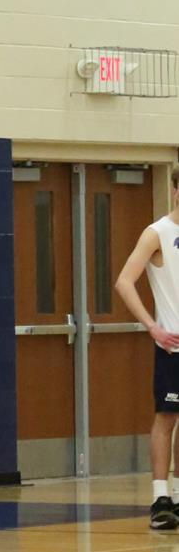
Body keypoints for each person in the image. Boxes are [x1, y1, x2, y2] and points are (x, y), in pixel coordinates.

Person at [114, 166, 179, 531]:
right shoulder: (157, 233)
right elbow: (124, 281)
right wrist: (152, 327)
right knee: (166, 418)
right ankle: (160, 498)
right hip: (173, 345)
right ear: (174, 191)